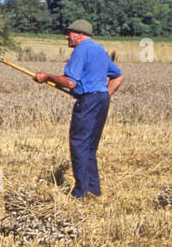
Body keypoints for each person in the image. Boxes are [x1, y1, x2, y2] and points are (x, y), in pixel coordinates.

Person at [33, 19, 123, 199]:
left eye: (70, 33)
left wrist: (47, 77)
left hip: (88, 101)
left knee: (79, 144)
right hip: (101, 100)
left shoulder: (81, 50)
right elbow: (118, 76)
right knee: (90, 147)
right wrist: (104, 94)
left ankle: (80, 192)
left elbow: (70, 82)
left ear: (80, 35)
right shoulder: (99, 49)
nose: (67, 36)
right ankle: (93, 190)